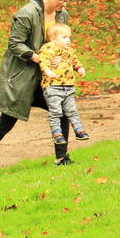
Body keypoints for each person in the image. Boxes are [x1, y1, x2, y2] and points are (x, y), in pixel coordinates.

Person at [0, 0, 74, 177]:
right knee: (8, 120)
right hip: (21, 75)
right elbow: (14, 43)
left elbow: (58, 42)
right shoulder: (27, 13)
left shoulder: (62, 15)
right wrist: (37, 58)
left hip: (45, 76)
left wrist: (59, 57)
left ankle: (61, 159)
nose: (64, 3)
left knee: (62, 108)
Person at [37, 23, 89, 165]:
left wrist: (80, 68)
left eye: (69, 37)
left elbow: (75, 61)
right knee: (56, 112)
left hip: (68, 86)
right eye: (64, 37)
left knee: (72, 111)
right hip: (52, 87)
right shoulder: (47, 48)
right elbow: (43, 61)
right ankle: (57, 134)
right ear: (53, 39)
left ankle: (79, 130)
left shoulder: (69, 51)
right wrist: (47, 70)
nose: (68, 40)